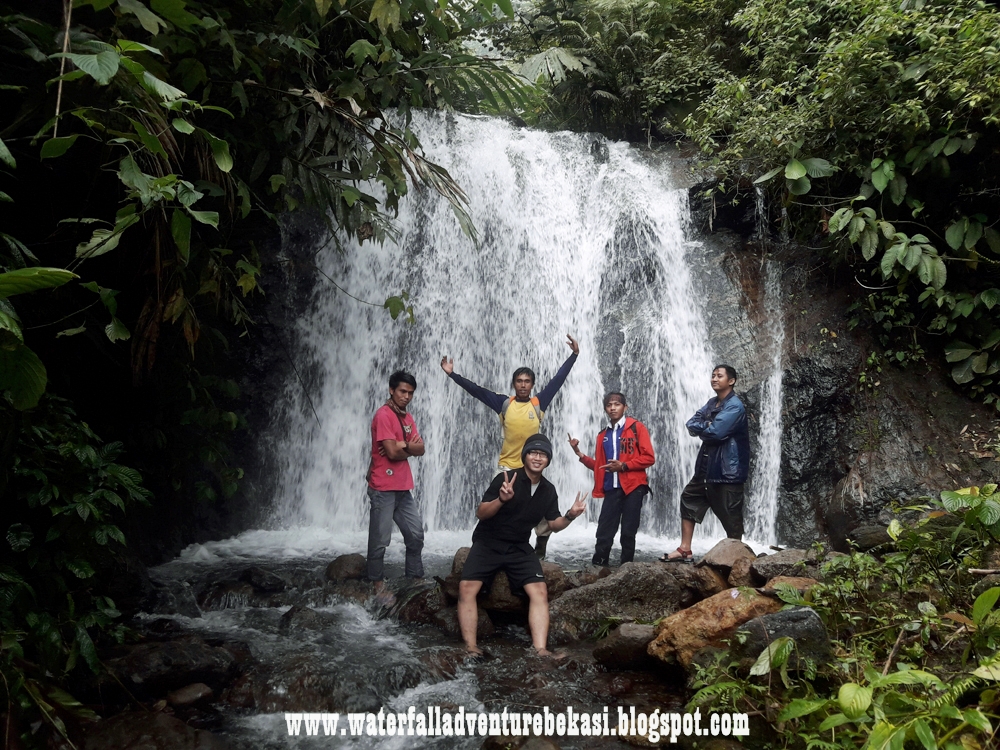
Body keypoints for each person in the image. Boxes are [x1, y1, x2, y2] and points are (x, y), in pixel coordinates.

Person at [440, 334, 579, 557]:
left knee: (541, 503)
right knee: (497, 504)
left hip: (532, 465)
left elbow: (558, 380)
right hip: (507, 466)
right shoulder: (504, 403)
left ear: (532, 385)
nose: (523, 385)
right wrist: (452, 374)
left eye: (527, 381)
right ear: (514, 384)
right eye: (519, 381)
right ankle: (486, 542)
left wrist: (574, 355)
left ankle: (541, 542)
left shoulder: (538, 403)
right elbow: (476, 390)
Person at [457, 434, 587, 658]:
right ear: (525, 455)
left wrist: (571, 515)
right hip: (489, 541)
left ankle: (540, 649)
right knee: (467, 588)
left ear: (548, 460)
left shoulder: (548, 490)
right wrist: (501, 500)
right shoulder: (506, 478)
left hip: (519, 545)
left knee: (539, 590)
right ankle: (471, 647)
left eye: (543, 454)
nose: (537, 458)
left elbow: (554, 525)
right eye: (533, 453)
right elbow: (481, 513)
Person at [662, 364, 749, 563]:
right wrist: (707, 426)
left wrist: (707, 427)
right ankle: (685, 549)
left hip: (726, 471)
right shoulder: (712, 403)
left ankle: (738, 557)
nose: (714, 379)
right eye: (713, 375)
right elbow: (691, 423)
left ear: (731, 381)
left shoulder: (734, 406)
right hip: (706, 467)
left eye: (719, 376)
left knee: (731, 514)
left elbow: (716, 433)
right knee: (689, 498)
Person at [569, 391, 655, 566]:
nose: (613, 408)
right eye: (609, 405)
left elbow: (649, 458)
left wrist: (624, 466)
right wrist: (579, 453)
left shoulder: (636, 428)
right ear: (605, 409)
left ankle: (626, 568)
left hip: (633, 487)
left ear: (625, 407)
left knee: (628, 531)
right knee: (604, 531)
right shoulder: (602, 435)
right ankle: (598, 567)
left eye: (617, 404)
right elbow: (600, 466)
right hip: (611, 488)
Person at [366, 370, 425, 586]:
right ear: (392, 390)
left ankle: (414, 579)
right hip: (382, 486)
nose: (407, 396)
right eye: (402, 391)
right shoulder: (384, 415)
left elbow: (421, 449)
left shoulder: (407, 417)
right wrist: (408, 448)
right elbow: (391, 453)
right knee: (380, 539)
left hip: (402, 487)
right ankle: (376, 583)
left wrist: (403, 445)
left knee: (416, 535)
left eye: (410, 393)